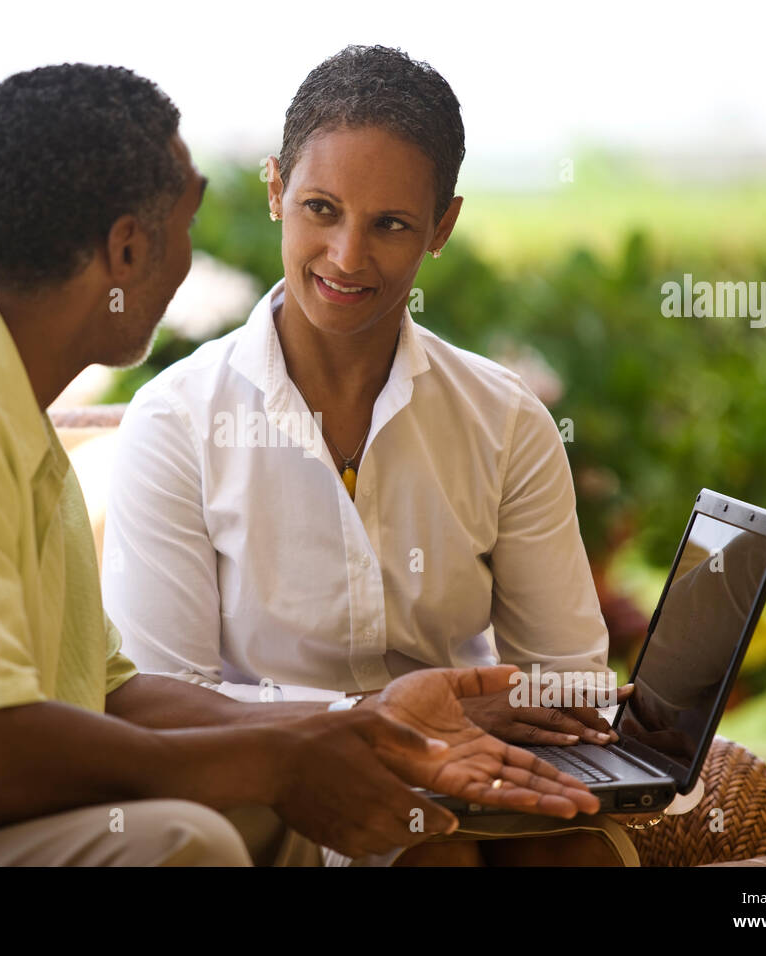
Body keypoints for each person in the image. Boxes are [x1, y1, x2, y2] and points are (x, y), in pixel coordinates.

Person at [0, 63, 601, 868]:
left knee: (292, 816)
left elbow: (112, 697)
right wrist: (282, 762)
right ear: (127, 248)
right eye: (187, 223)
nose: (199, 259)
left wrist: (356, 733)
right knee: (180, 841)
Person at [102, 46, 638, 865]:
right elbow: (166, 707)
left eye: (390, 224)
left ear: (442, 227)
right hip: (271, 788)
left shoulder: (506, 422)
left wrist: (518, 730)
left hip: (474, 782)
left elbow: (567, 682)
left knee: (576, 857)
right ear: (277, 188)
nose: (348, 257)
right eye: (322, 209)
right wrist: (390, 722)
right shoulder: (176, 421)